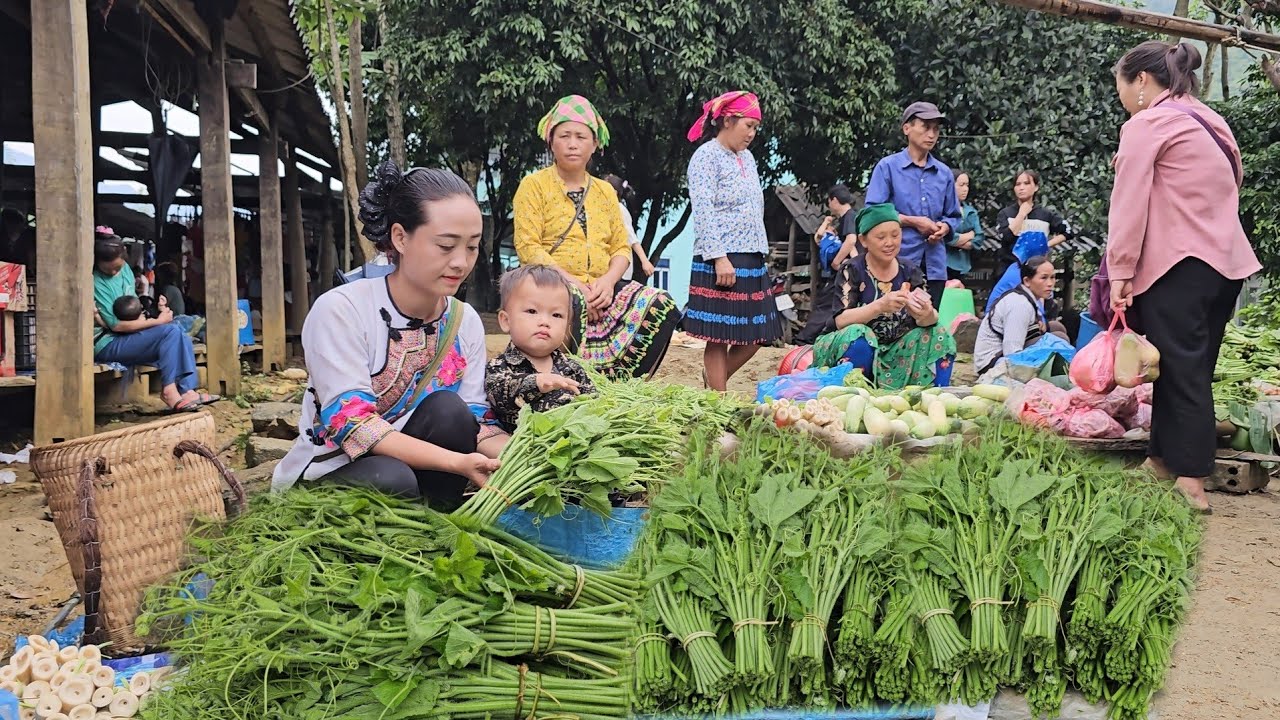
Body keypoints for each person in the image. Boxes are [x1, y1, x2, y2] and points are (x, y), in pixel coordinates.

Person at [272, 162, 508, 508]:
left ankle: (439, 529)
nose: (461, 262)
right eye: (446, 246)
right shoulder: (342, 310)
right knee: (392, 479)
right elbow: (353, 425)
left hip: (411, 469)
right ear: (400, 237)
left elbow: (476, 420)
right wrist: (457, 463)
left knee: (451, 413)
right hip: (328, 475)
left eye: (472, 247)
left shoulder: (465, 321)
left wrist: (532, 457)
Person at [1108, 41, 1260, 512]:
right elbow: (1232, 183)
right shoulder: (1211, 120)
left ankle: (1192, 479)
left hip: (1179, 265)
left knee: (1184, 371)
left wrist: (1120, 270)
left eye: (1119, 81)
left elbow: (1128, 204)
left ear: (1139, 81)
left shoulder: (1147, 124)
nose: (1119, 91)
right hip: (1224, 264)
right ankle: (1161, 459)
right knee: (1181, 366)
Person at [513, 95, 680, 380]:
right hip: (552, 285)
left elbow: (620, 246)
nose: (573, 143)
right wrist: (575, 286)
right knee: (569, 308)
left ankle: (626, 384)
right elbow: (529, 247)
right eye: (564, 135)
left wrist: (608, 281)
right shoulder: (533, 185)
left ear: (595, 144)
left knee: (661, 304)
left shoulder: (604, 191)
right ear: (551, 141)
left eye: (581, 136)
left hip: (602, 287)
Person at [684, 90, 784, 391]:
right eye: (748, 126)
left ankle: (715, 383)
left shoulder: (748, 158)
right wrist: (719, 257)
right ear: (728, 120)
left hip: (752, 253)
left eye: (755, 127)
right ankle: (718, 401)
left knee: (759, 332)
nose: (752, 134)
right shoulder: (705, 156)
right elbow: (702, 210)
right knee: (718, 335)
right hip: (721, 256)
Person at [812, 204, 956, 390]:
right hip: (852, 347)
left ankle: (932, 398)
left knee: (939, 334)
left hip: (896, 352)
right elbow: (840, 320)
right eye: (881, 237)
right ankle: (854, 393)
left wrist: (925, 313)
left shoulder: (910, 270)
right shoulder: (852, 269)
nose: (890, 242)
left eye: (895, 235)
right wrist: (879, 306)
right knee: (859, 335)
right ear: (864, 240)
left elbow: (930, 319)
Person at [92, 232, 217, 412]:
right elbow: (117, 325)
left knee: (177, 331)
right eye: (108, 269)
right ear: (98, 263)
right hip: (108, 343)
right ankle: (169, 390)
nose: (114, 272)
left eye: (117, 268)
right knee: (170, 331)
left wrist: (157, 315)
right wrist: (158, 321)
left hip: (130, 337)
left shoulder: (125, 269)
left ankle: (188, 390)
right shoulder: (96, 281)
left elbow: (134, 309)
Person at [865, 101, 962, 310]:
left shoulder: (944, 173)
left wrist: (945, 227)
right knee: (893, 323)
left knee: (928, 323)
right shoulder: (887, 167)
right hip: (896, 262)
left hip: (935, 265)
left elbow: (953, 216)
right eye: (925, 127)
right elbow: (873, 213)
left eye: (936, 129)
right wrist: (913, 221)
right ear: (907, 128)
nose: (931, 134)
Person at [486, 265, 596, 433]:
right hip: (523, 450)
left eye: (556, 315)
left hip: (570, 447)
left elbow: (594, 402)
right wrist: (535, 383)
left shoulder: (573, 369)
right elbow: (498, 394)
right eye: (532, 311)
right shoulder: (498, 367)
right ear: (506, 321)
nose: (545, 321)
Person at [973, 256, 1064, 374]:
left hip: (1005, 354)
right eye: (1044, 278)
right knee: (1060, 338)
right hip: (992, 363)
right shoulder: (1020, 305)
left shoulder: (1030, 298)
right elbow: (1012, 350)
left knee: (1057, 327)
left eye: (1052, 277)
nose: (1050, 283)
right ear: (1027, 281)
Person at [796, 185, 859, 345]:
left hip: (845, 270)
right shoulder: (843, 220)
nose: (829, 205)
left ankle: (805, 339)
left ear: (835, 200)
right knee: (831, 305)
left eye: (829, 202)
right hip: (845, 271)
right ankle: (811, 339)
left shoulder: (850, 216)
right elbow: (819, 239)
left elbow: (851, 240)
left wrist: (837, 261)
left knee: (826, 305)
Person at [994, 170, 1071, 264]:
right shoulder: (1005, 213)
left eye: (1026, 183)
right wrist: (1021, 214)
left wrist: (1045, 245)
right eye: (1018, 184)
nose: (1021, 188)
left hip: (1036, 268)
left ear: (1036, 187)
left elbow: (1068, 232)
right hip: (1010, 267)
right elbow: (1005, 238)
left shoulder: (1046, 214)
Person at [602, 174, 656, 283]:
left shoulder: (619, 210)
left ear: (614, 192)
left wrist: (644, 261)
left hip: (618, 270)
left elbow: (631, 238)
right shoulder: (599, 209)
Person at [946, 171, 985, 280]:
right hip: (945, 265)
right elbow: (947, 237)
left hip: (964, 265)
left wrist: (957, 241)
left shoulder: (971, 211)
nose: (965, 189)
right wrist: (969, 236)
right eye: (961, 185)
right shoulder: (942, 210)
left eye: (967, 185)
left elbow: (979, 238)